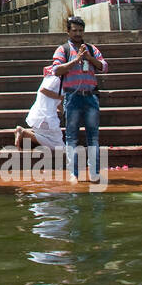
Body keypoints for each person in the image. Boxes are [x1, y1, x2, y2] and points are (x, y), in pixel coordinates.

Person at [51, 16, 109, 182]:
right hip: (72, 98)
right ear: (68, 31)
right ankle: (73, 173)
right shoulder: (63, 50)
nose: (77, 33)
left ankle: (94, 173)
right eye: (74, 30)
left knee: (93, 137)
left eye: (80, 30)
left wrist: (89, 59)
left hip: (90, 97)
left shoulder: (91, 49)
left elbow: (104, 67)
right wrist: (75, 60)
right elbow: (56, 70)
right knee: (71, 137)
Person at [13, 67, 65, 150]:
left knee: (56, 143)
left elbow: (54, 101)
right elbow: (43, 90)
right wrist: (62, 97)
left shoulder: (58, 78)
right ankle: (23, 132)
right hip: (45, 116)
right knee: (59, 146)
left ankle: (24, 132)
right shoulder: (55, 78)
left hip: (45, 115)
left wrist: (63, 111)